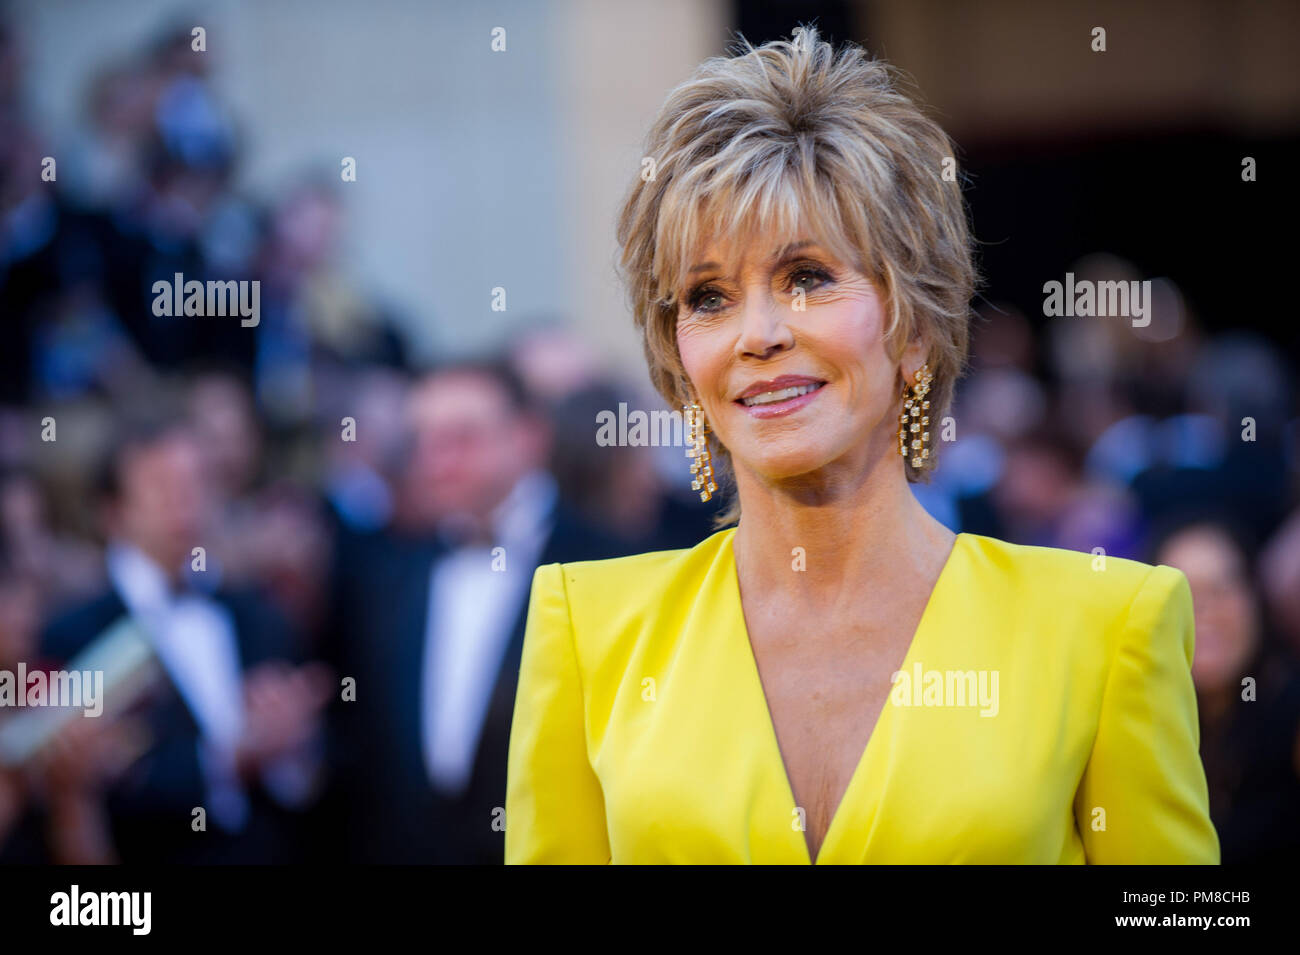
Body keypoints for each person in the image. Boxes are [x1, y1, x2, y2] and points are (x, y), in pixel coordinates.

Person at [504, 27, 1219, 864]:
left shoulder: (1107, 627)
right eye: (708, 296)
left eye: (807, 277)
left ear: (913, 325)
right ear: (676, 354)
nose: (758, 334)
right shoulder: (587, 633)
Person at [325, 360, 619, 863]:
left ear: (529, 437)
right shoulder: (385, 578)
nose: (438, 461)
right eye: (424, 441)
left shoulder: (610, 565)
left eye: (462, 437)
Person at [40, 415, 332, 863]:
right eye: (161, 485)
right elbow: (96, 791)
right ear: (113, 512)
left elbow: (316, 785)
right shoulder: (75, 635)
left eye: (197, 481)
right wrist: (227, 762)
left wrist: (293, 747)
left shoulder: (262, 616)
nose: (185, 502)